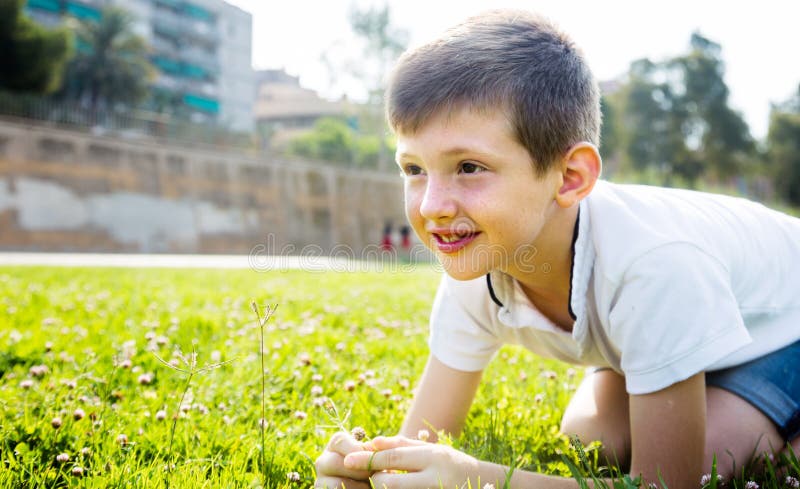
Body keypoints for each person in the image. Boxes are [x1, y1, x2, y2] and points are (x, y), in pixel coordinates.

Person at [314, 9, 800, 489]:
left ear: (570, 177)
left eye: (468, 167)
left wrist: (480, 480)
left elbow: (664, 485)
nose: (433, 206)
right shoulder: (480, 263)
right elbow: (424, 437)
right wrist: (369, 471)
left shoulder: (653, 265)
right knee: (590, 439)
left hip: (788, 326)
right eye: (414, 169)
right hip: (710, 323)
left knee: (716, 458)